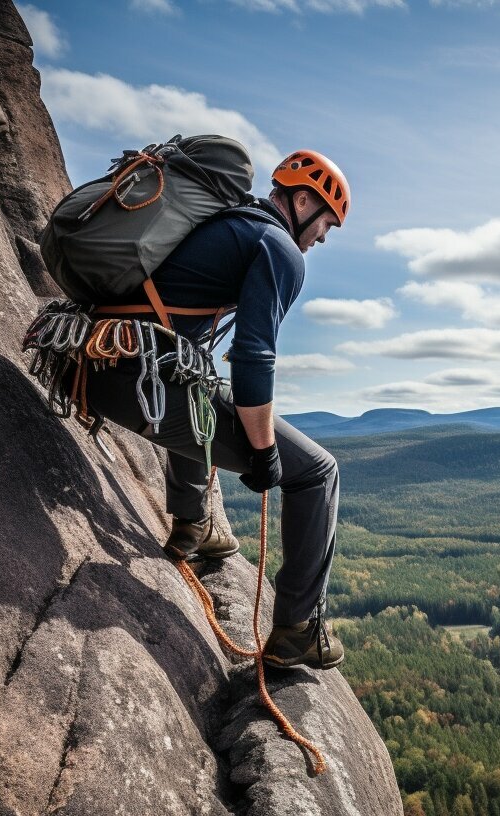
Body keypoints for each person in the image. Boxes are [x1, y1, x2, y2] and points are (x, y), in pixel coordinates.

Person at [80, 149, 350, 670]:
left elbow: (199, 359)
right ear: (300, 201)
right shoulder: (278, 249)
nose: (322, 238)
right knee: (318, 472)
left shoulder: (227, 222)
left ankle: (192, 525)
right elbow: (253, 358)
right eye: (325, 225)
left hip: (96, 360)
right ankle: (298, 628)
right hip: (135, 377)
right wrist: (265, 449)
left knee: (200, 379)